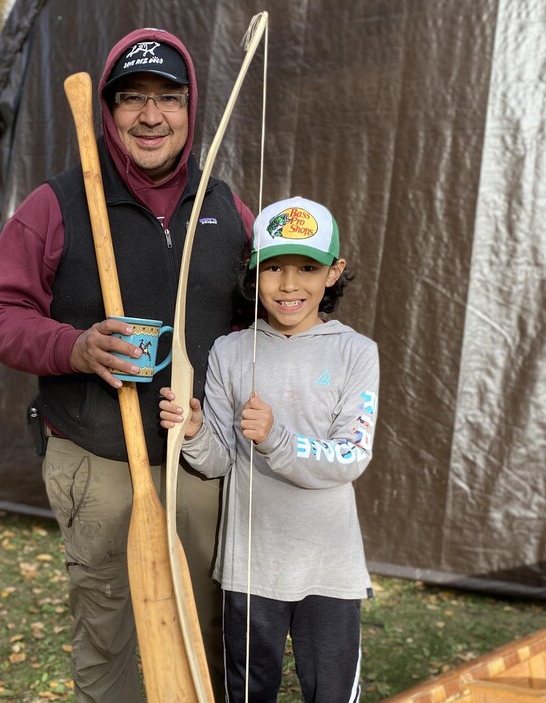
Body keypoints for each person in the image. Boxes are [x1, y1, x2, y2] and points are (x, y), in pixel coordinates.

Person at [0, 27, 255, 702]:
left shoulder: (225, 207)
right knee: (107, 634)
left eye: (168, 98)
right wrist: (75, 346)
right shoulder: (58, 205)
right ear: (107, 110)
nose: (150, 116)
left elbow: (262, 316)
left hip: (198, 460)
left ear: (192, 109)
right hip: (96, 459)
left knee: (206, 626)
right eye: (132, 99)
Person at [159, 196, 377, 703]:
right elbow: (217, 459)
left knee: (332, 694)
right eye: (273, 268)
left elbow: (351, 456)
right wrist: (192, 430)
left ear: (334, 271)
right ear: (253, 274)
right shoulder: (231, 351)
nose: (287, 284)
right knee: (248, 694)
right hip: (251, 567)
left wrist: (276, 439)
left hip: (330, 569)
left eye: (306, 268)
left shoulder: (355, 353)